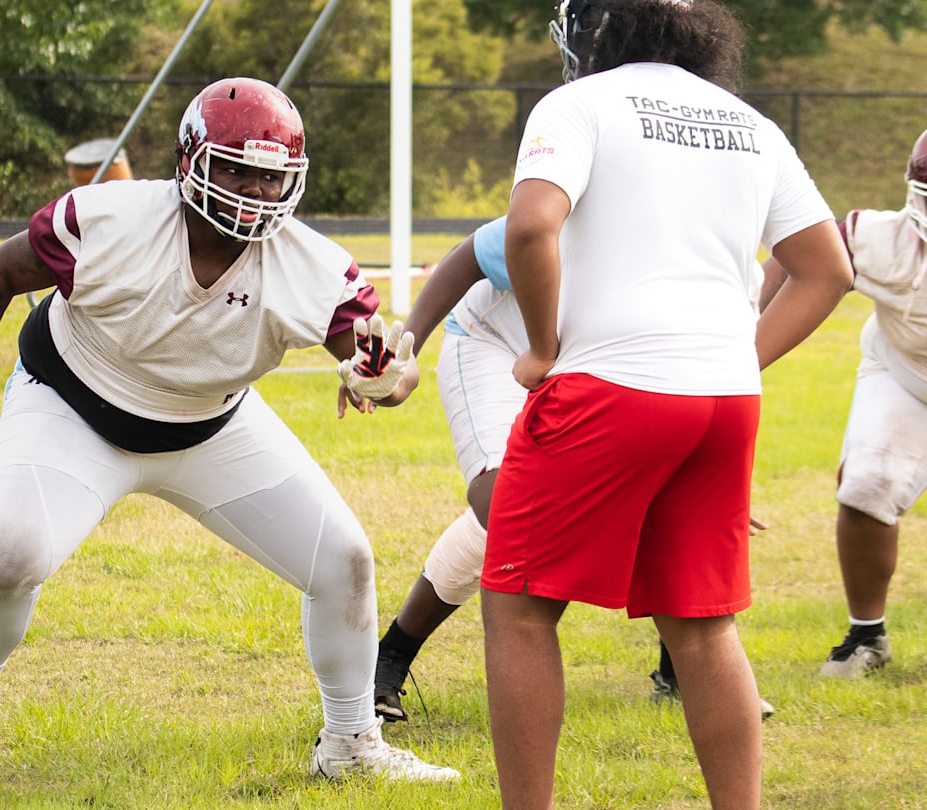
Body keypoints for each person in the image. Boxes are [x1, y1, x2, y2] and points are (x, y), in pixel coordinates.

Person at [0, 76, 458, 783]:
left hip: (211, 425)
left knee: (345, 563)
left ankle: (352, 746)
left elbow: (381, 368)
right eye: (235, 168)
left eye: (270, 177)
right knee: (4, 556)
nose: (253, 192)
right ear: (189, 160)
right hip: (71, 404)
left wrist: (386, 379)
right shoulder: (110, 218)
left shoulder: (314, 267)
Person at [481, 1, 854, 807]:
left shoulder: (579, 105)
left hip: (609, 388)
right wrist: (731, 357)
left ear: (594, 30)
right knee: (702, 622)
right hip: (723, 404)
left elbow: (530, 228)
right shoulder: (749, 123)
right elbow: (828, 270)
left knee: (518, 608)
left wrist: (543, 350)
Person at [367, 217, 773, 722]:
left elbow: (716, 365)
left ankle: (681, 667)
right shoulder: (596, 212)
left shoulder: (726, 261)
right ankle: (390, 658)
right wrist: (405, 353)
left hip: (599, 365)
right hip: (499, 340)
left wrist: (708, 466)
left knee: (671, 505)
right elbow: (471, 255)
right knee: (503, 506)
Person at [813, 127, 927, 679]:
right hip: (905, 374)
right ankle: (867, 634)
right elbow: (801, 260)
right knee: (867, 484)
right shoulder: (881, 237)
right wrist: (742, 336)